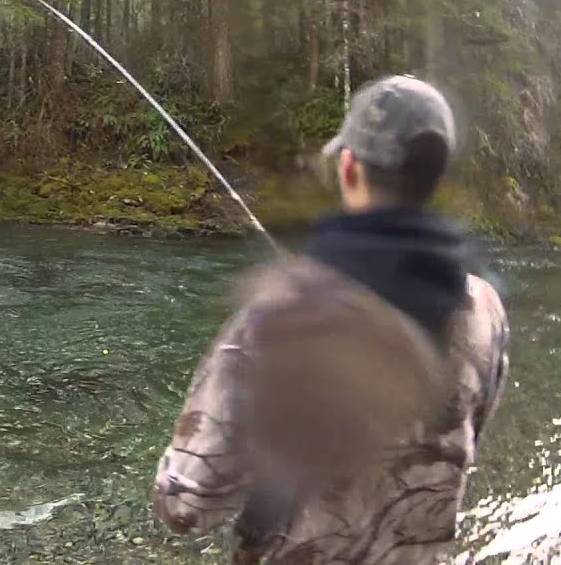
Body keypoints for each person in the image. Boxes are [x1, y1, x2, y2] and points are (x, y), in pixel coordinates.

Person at [153, 75, 511, 564]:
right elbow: (465, 439)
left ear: (348, 167)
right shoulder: (485, 309)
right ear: (435, 178)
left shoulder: (278, 314)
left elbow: (186, 504)